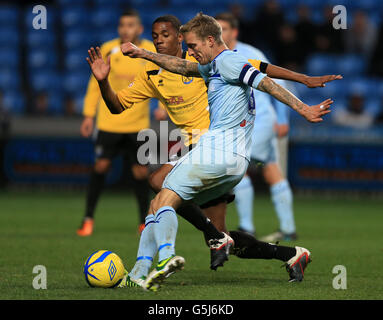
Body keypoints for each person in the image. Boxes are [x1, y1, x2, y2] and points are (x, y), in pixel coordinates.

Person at [98, 13, 334, 291]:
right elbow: (180, 68)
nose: (160, 40)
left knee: (160, 192)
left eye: (169, 36)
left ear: (191, 39)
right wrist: (140, 54)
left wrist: (303, 93)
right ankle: (290, 254)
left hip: (212, 151)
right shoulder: (200, 66)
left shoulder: (226, 60)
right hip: (228, 160)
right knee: (208, 227)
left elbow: (265, 75)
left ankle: (163, 260)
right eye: (155, 36)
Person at [215, 12, 298, 241]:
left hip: (259, 121)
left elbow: (277, 83)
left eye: (224, 29)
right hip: (244, 124)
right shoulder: (216, 56)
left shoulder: (250, 53)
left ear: (235, 32)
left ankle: (246, 227)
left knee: (236, 168)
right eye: (217, 29)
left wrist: (283, 119)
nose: (220, 33)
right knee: (272, 170)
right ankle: (288, 228)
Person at [77, 9, 155, 236]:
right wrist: (88, 115)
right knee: (100, 167)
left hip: (138, 125)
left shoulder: (148, 51)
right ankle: (88, 218)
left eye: (130, 25)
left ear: (139, 29)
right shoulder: (108, 48)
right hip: (109, 123)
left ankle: (143, 222)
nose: (125, 29)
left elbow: (163, 78)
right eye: (122, 25)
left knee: (141, 173)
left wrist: (161, 108)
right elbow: (95, 84)